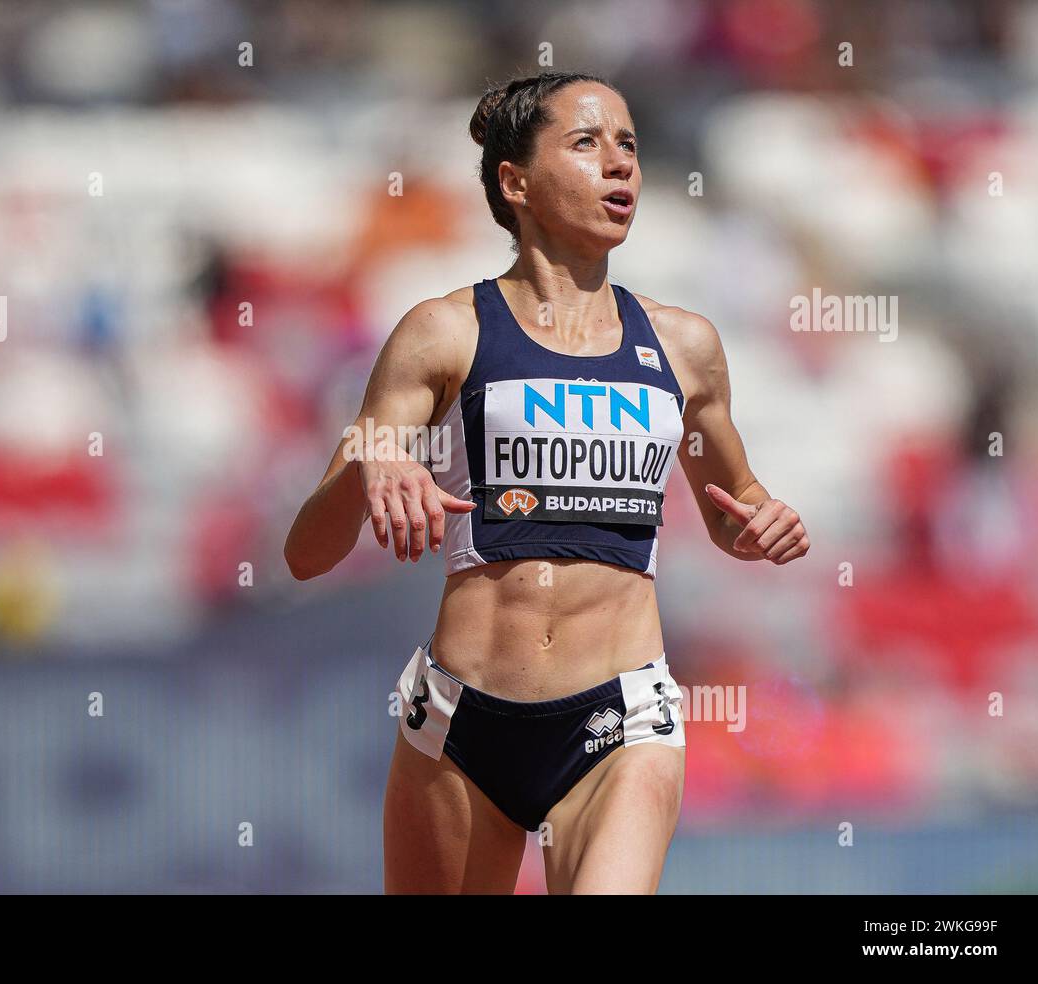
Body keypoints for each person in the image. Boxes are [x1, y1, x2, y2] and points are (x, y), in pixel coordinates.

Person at [284, 71, 810, 894]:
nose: (621, 165)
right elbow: (306, 554)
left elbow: (736, 515)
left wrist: (766, 524)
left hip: (622, 718)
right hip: (461, 723)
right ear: (515, 181)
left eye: (629, 146)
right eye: (588, 143)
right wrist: (372, 456)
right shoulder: (442, 332)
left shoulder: (686, 347)